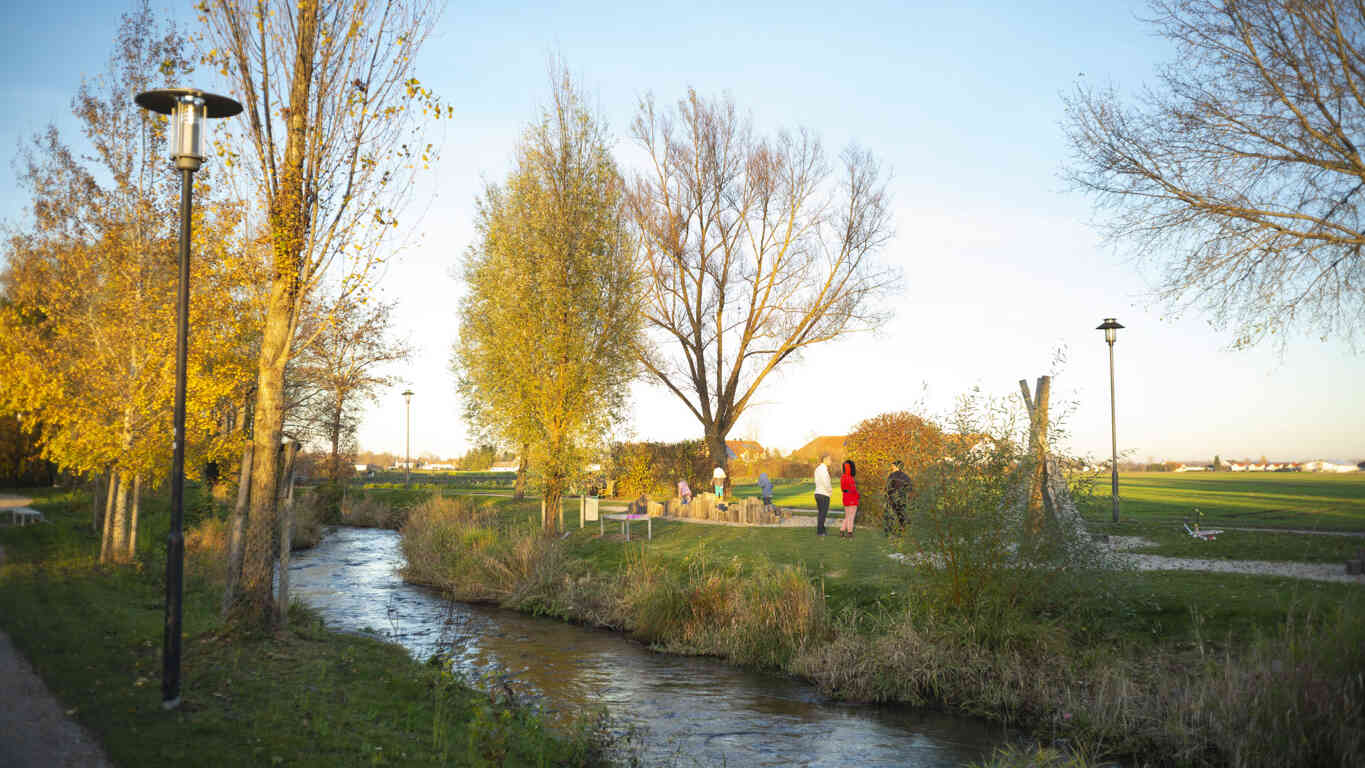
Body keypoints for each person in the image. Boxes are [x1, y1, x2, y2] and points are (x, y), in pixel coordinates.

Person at [883, 460, 913, 536]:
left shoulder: (892, 476)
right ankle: (902, 531)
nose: (891, 467)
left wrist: (887, 494)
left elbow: (888, 487)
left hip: (892, 498)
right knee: (901, 515)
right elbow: (909, 487)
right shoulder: (906, 476)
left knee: (891, 515)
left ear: (897, 467)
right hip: (902, 498)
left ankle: (890, 531)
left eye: (893, 466)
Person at [839, 459, 859, 538]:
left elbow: (842, 489)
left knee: (847, 516)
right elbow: (853, 490)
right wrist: (858, 496)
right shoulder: (850, 478)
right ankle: (849, 532)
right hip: (852, 498)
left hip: (845, 497)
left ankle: (842, 530)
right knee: (851, 516)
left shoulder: (843, 477)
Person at [813, 455, 832, 536]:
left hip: (818, 493)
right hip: (823, 493)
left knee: (821, 513)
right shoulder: (823, 470)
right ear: (824, 460)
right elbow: (826, 482)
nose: (831, 461)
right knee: (823, 513)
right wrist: (830, 490)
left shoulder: (817, 469)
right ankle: (820, 531)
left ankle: (822, 529)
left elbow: (816, 481)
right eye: (829, 459)